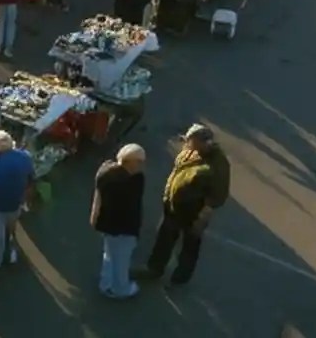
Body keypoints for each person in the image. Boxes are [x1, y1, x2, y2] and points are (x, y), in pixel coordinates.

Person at [136, 124, 231, 286]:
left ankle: (181, 277)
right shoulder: (191, 152)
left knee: (190, 244)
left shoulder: (218, 165)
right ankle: (154, 268)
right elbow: (178, 170)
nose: (187, 144)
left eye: (191, 141)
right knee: (164, 237)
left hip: (194, 211)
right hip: (173, 206)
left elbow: (218, 194)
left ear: (204, 143)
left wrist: (202, 217)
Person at [91, 144, 146, 299]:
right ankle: (120, 289)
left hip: (106, 225)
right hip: (123, 228)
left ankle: (106, 282)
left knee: (109, 254)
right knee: (122, 259)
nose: (142, 165)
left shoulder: (105, 172)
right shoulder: (134, 181)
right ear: (130, 162)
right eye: (139, 162)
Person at [0, 130, 33, 268]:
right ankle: (12, 250)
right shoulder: (25, 157)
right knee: (11, 227)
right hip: (16, 203)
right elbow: (31, 176)